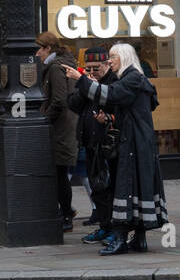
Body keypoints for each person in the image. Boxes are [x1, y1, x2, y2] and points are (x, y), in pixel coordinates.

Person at [62, 44, 168, 256]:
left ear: (125, 57)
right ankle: (139, 239)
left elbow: (111, 95)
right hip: (134, 142)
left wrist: (80, 78)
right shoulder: (133, 77)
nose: (110, 61)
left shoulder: (132, 78)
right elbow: (125, 110)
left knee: (125, 189)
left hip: (135, 144)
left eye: (112, 57)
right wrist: (109, 118)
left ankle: (120, 239)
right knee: (135, 189)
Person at [71, 46, 119, 244]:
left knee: (109, 189)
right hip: (90, 142)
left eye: (96, 68)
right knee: (96, 188)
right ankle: (104, 226)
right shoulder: (87, 82)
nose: (92, 73)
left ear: (107, 64)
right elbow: (73, 104)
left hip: (108, 146)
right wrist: (86, 87)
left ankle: (112, 229)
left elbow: (116, 109)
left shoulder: (114, 83)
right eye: (87, 69)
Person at [37, 31, 80, 231]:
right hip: (65, 125)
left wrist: (45, 119)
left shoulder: (55, 67)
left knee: (60, 173)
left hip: (61, 128)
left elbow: (60, 100)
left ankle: (65, 216)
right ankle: (66, 211)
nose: (37, 54)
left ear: (48, 48)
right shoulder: (62, 63)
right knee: (60, 172)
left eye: (39, 49)